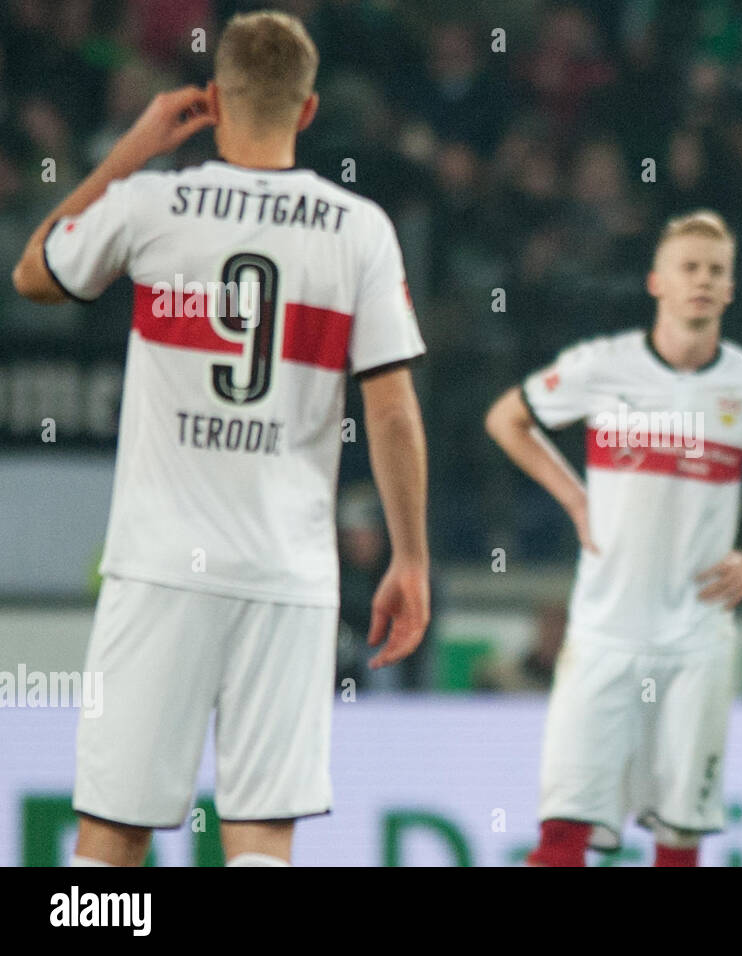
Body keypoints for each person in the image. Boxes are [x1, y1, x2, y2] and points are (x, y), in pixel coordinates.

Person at [11, 11, 430, 866]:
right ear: (309, 111)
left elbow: (33, 272)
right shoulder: (360, 229)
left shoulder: (153, 200)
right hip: (287, 573)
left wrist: (132, 149)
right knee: (261, 837)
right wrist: (411, 560)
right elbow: (389, 410)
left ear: (212, 98)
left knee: (113, 833)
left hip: (162, 566)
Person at [485, 210, 742, 867]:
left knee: (679, 835)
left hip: (696, 639)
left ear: (730, 290)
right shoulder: (602, 366)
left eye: (716, 271)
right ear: (656, 282)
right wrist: (574, 495)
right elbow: (506, 419)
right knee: (560, 837)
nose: (703, 280)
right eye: (689, 268)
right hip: (603, 631)